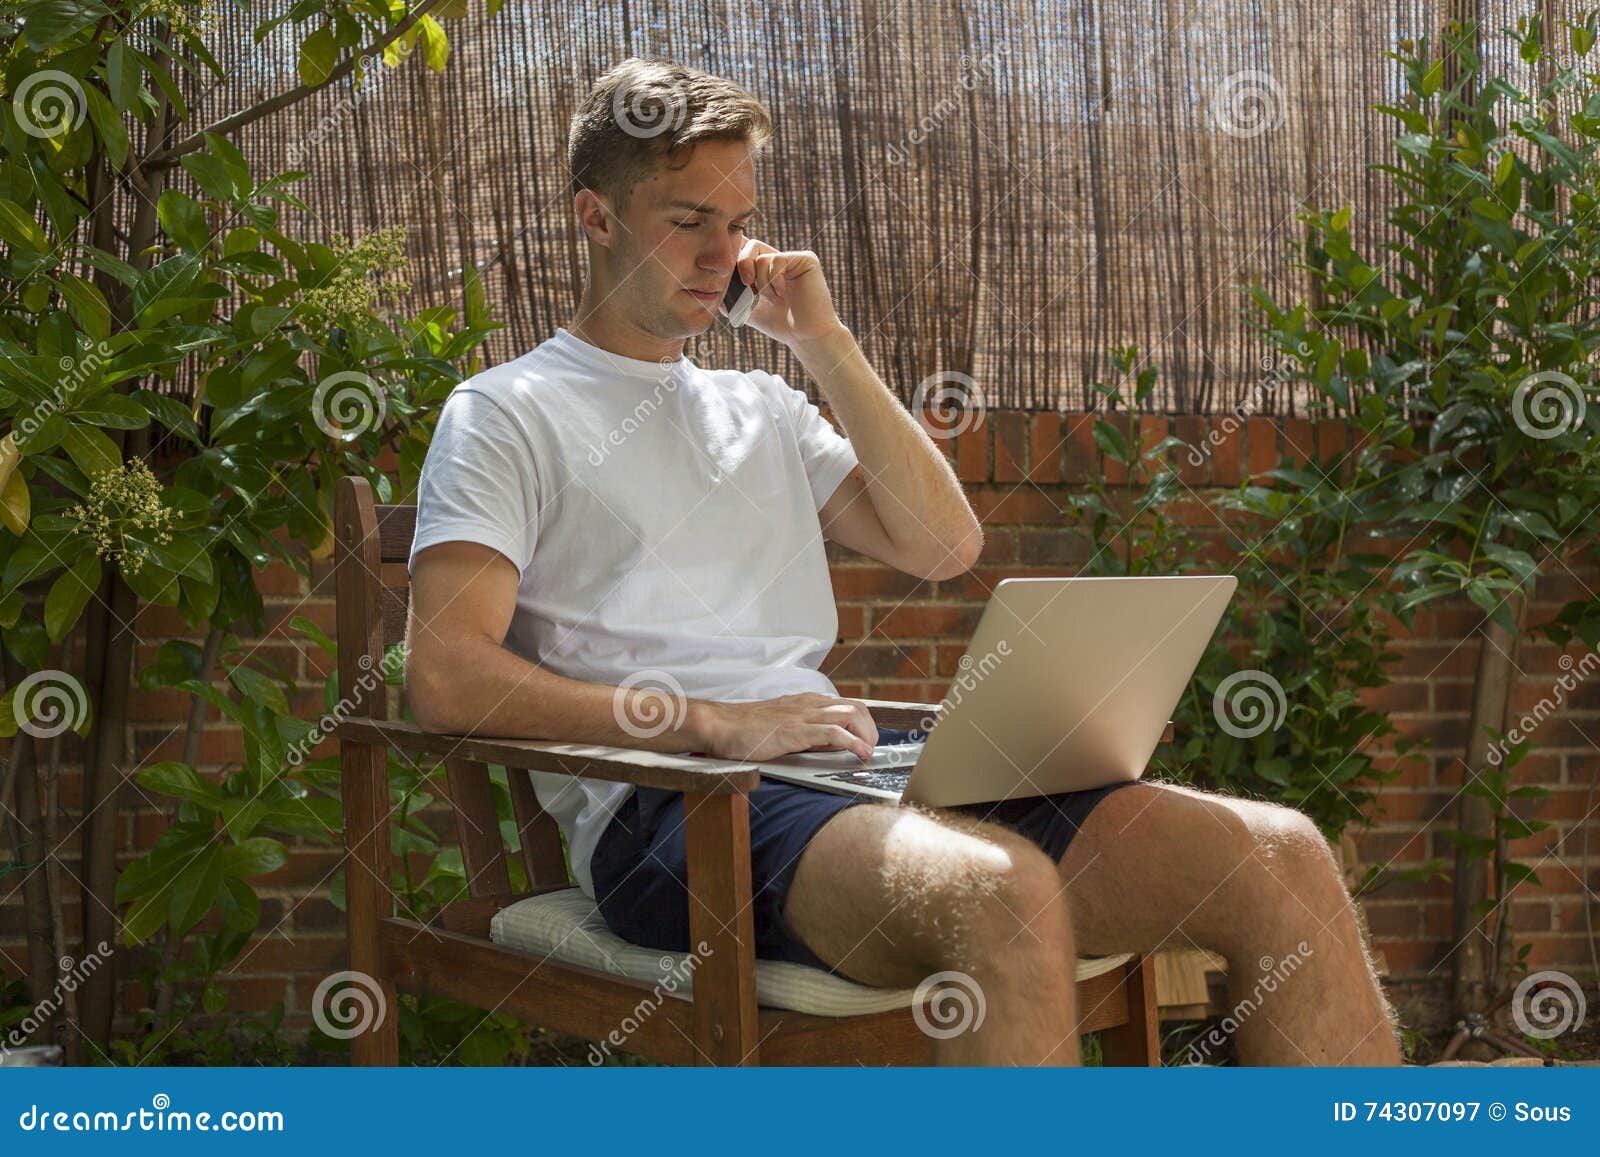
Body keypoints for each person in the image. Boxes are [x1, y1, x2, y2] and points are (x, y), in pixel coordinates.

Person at [405, 57, 1401, 1066]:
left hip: (849, 769)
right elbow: (445, 676)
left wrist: (823, 341)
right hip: (674, 807)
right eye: (687, 220)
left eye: (737, 222)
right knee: (999, 893)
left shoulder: (762, 408)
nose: (720, 254)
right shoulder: (506, 414)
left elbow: (941, 544)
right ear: (596, 216)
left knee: (1278, 855)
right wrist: (706, 720)